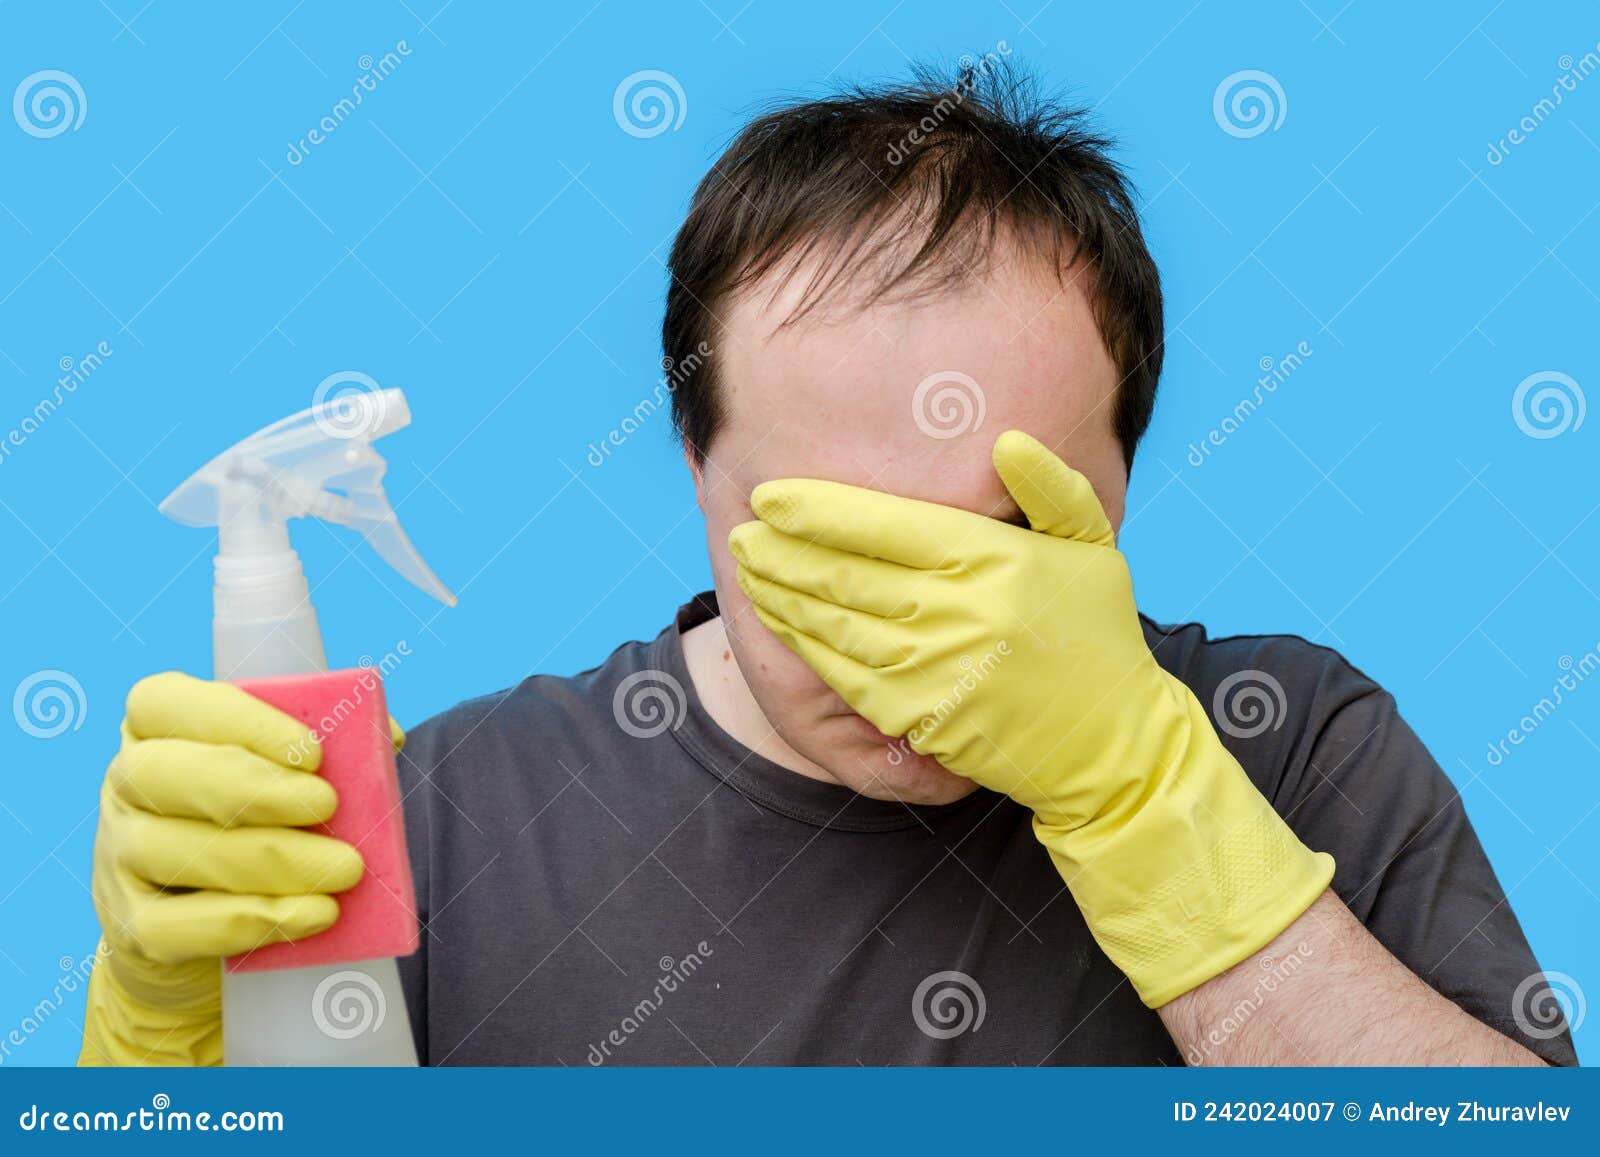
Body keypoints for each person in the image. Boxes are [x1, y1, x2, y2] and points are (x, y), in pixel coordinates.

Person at [79, 64, 1576, 1067]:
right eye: (831, 550)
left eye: (998, 550)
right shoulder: (454, 813)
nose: (912, 650)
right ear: (693, 471)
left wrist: (1144, 793)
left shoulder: (1292, 745)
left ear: (1121, 484)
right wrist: (163, 1036)